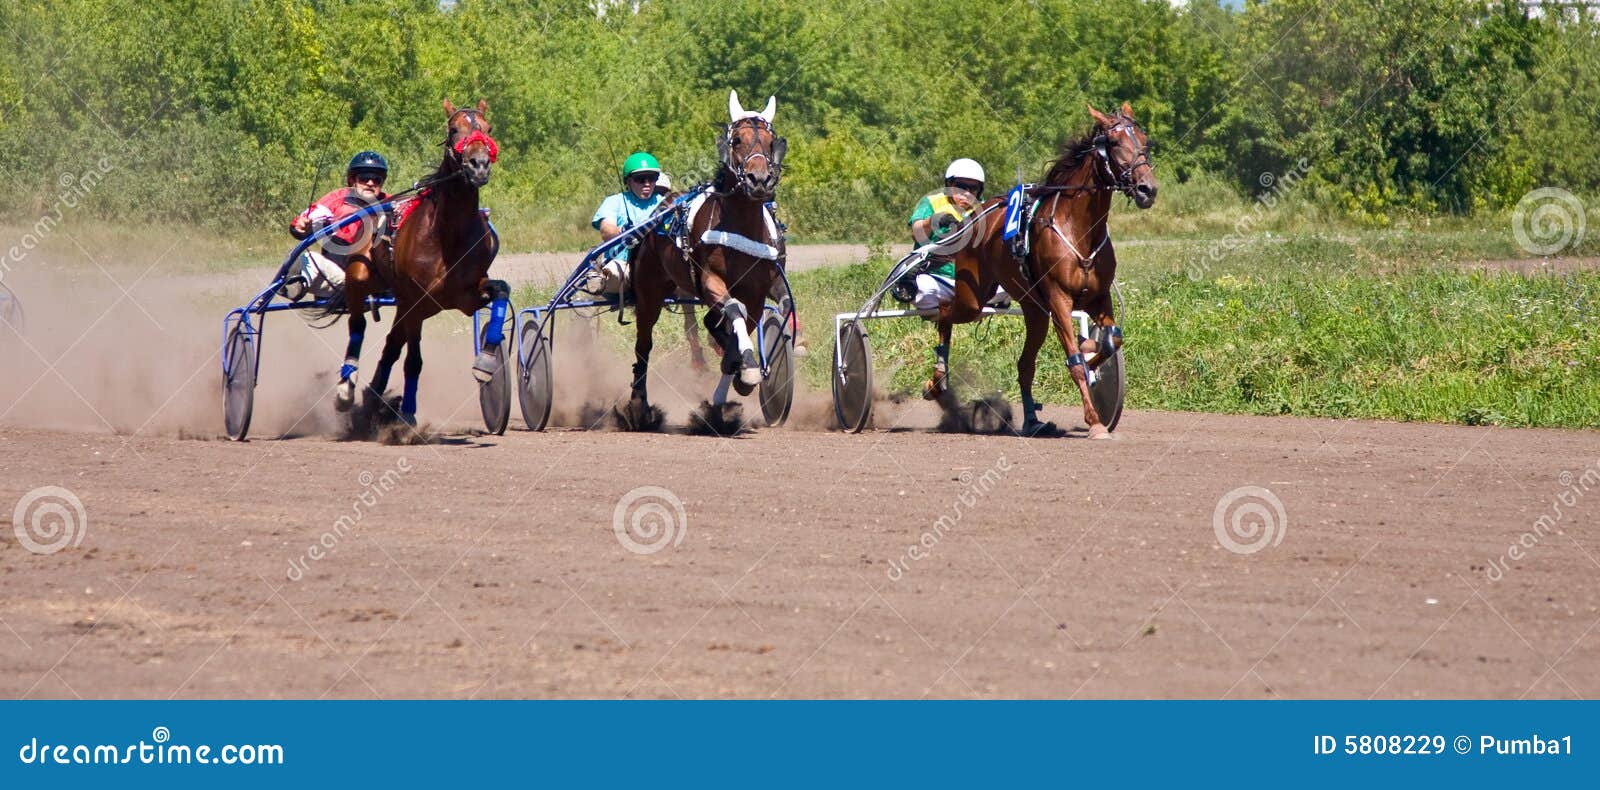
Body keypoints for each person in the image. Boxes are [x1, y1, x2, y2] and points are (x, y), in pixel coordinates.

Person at [903, 158, 1007, 397]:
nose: (967, 193)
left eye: (974, 189)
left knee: (1010, 286)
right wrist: (933, 220)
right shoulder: (932, 202)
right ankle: (961, 315)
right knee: (925, 291)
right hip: (938, 277)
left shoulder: (985, 210)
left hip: (975, 284)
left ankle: (974, 305)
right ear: (950, 184)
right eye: (962, 186)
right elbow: (916, 230)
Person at [284, 151, 391, 301]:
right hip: (337, 279)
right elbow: (311, 217)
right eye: (364, 178)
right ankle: (296, 285)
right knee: (305, 258)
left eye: (376, 180)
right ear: (352, 180)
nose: (370, 183)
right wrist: (302, 224)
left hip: (374, 283)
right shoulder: (338, 199)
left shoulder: (390, 204)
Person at [585, 151, 664, 294]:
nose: (647, 184)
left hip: (659, 267)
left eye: (652, 178)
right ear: (628, 181)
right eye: (640, 179)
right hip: (623, 266)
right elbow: (606, 231)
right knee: (614, 272)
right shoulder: (614, 201)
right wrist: (624, 232)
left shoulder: (664, 203)